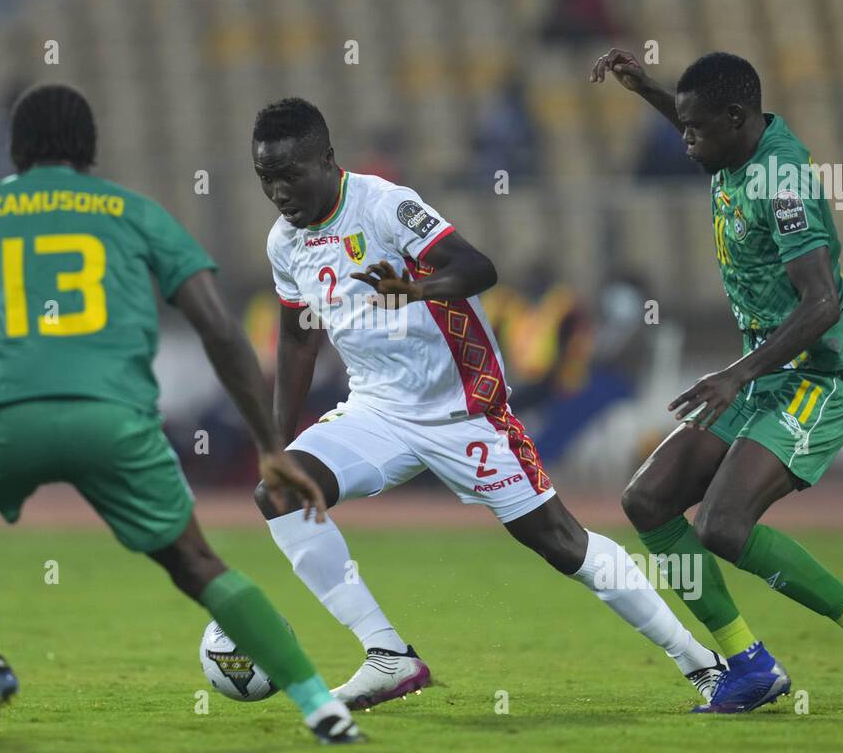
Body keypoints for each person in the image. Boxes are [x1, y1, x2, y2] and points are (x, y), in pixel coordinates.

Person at [0, 84, 362, 744]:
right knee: (197, 563)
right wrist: (270, 443)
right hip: (116, 423)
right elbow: (218, 327)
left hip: (3, 415)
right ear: (90, 152)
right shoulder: (134, 212)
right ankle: (322, 707)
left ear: (16, 153)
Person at [249, 97, 726, 710]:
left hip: (464, 410)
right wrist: (277, 444)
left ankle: (701, 663)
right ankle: (389, 656)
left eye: (291, 174)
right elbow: (297, 338)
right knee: (281, 491)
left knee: (560, 542)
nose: (280, 192)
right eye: (267, 178)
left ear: (328, 161)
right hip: (376, 412)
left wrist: (414, 288)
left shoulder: (385, 205)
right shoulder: (285, 243)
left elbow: (479, 268)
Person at [590, 48, 843, 714]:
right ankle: (748, 663)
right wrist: (648, 90)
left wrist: (735, 373)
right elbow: (702, 127)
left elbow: (822, 302)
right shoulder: (730, 145)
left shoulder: (782, 181)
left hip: (814, 377)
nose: (685, 143)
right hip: (761, 373)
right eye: (681, 126)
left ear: (737, 119)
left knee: (722, 523)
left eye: (694, 129)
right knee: (649, 501)